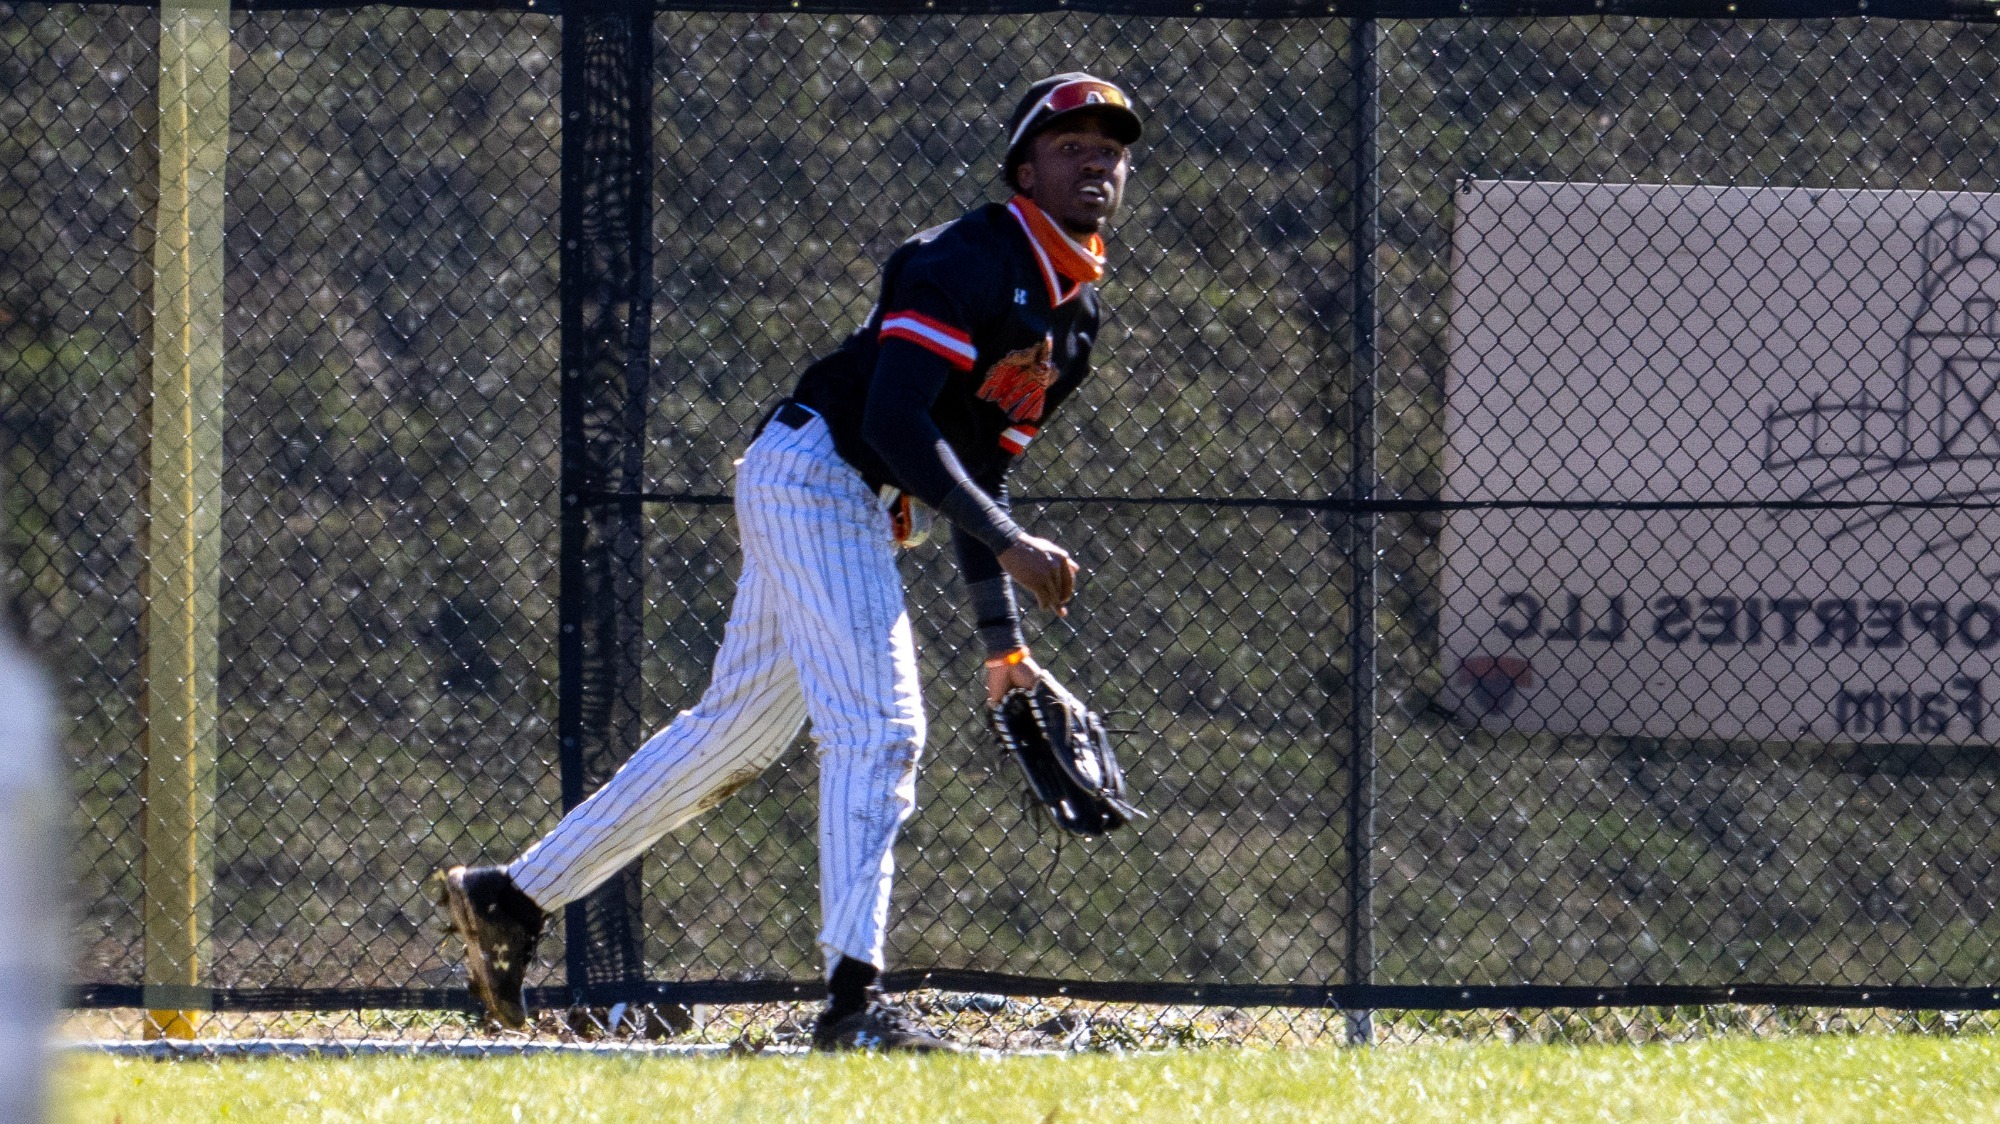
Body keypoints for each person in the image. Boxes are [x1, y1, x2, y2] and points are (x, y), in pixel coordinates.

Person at [435, 72, 1142, 1053]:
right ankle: (854, 1003)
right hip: (818, 475)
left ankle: (510, 894)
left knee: (736, 734)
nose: (1097, 160)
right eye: (1071, 144)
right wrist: (1013, 544)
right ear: (1025, 169)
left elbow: (975, 467)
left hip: (832, 491)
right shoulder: (963, 258)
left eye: (1111, 146)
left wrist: (1003, 648)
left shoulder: (1072, 322)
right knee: (883, 731)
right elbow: (896, 420)